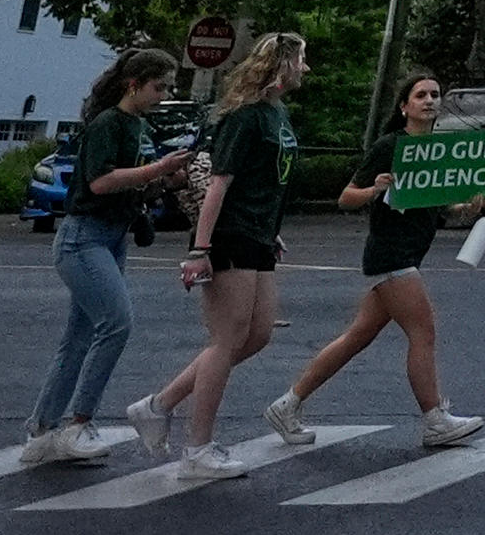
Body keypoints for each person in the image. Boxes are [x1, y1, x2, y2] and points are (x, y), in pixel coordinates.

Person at [265, 70, 485, 452]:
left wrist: (466, 209)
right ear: (404, 106)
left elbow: (435, 208)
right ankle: (434, 419)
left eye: (435, 95)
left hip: (408, 254)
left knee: (356, 337)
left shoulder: (435, 151)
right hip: (391, 254)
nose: (430, 101)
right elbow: (346, 197)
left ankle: (287, 404)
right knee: (424, 332)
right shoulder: (391, 146)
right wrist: (375, 188)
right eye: (420, 95)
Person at [131, 28, 308, 482]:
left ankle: (159, 405)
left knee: (259, 333)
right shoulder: (244, 117)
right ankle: (198, 448)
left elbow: (269, 183)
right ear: (282, 65)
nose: (307, 68)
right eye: (302, 60)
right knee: (225, 341)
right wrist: (199, 249)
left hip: (260, 236)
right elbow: (218, 185)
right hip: (229, 235)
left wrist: (273, 231)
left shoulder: (277, 113)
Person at [22, 47, 188, 466]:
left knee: (78, 337)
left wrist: (165, 180)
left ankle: (42, 432)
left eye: (168, 86)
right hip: (84, 237)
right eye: (158, 86)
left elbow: (132, 184)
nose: (163, 94)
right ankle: (78, 423)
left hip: (111, 236)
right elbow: (99, 183)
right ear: (132, 84)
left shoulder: (137, 126)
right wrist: (156, 170)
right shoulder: (109, 123)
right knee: (116, 324)